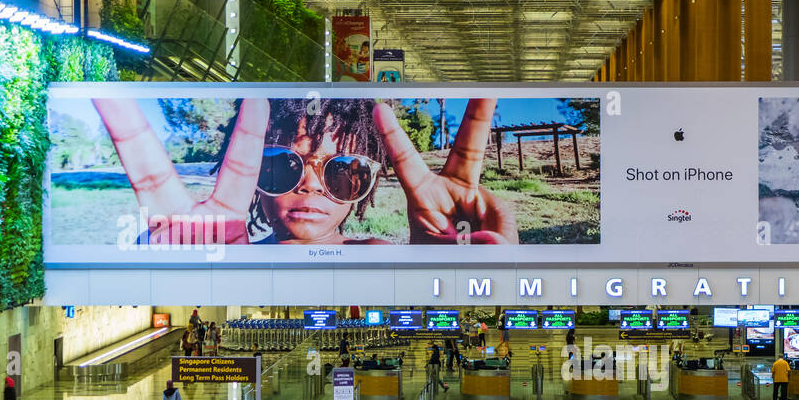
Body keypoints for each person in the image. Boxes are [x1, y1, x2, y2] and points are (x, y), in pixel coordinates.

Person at [93, 96, 518, 246]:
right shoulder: (232, 257)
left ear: (366, 186)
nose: (312, 184)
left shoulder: (379, 256)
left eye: (342, 171)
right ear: (249, 180)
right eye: (283, 165)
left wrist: (448, 274)